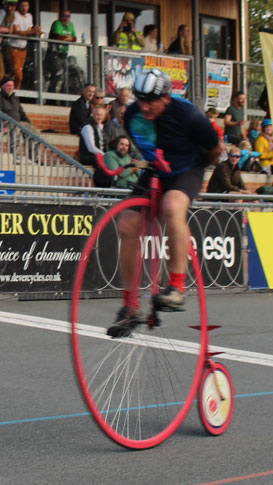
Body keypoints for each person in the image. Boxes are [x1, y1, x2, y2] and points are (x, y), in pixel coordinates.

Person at [108, 68, 223, 337]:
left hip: (187, 170)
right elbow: (144, 142)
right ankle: (130, 306)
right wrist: (156, 162)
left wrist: (192, 168)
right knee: (126, 224)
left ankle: (177, 287)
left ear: (166, 97)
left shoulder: (191, 117)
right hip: (157, 170)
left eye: (152, 101)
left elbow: (216, 151)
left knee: (172, 206)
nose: (145, 107)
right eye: (141, 99)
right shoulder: (134, 114)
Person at [5, 0, 42, 89]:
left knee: (16, 74)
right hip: (14, 48)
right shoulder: (16, 15)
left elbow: (29, 31)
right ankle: (14, 94)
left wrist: (35, 31)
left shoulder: (29, 16)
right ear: (19, 6)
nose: (24, 8)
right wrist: (32, 32)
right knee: (18, 75)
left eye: (26, 6)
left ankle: (13, 92)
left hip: (23, 49)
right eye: (22, 6)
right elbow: (16, 31)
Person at [45, 9, 76, 94]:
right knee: (56, 76)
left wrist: (66, 38)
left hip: (64, 54)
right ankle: (52, 98)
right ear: (60, 17)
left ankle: (62, 99)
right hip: (54, 54)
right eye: (64, 16)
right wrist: (68, 38)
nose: (66, 18)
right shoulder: (57, 23)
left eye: (68, 16)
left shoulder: (71, 25)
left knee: (64, 77)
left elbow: (74, 39)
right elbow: (57, 37)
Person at [254, 118, 273, 191]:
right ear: (263, 128)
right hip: (265, 164)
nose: (269, 128)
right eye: (266, 127)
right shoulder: (260, 139)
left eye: (270, 126)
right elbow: (259, 155)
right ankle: (272, 190)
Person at [78, 104, 108, 171]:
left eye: (102, 115)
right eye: (97, 114)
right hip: (88, 157)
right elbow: (91, 148)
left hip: (99, 156)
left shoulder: (100, 126)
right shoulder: (87, 127)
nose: (99, 117)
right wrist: (105, 155)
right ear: (92, 114)